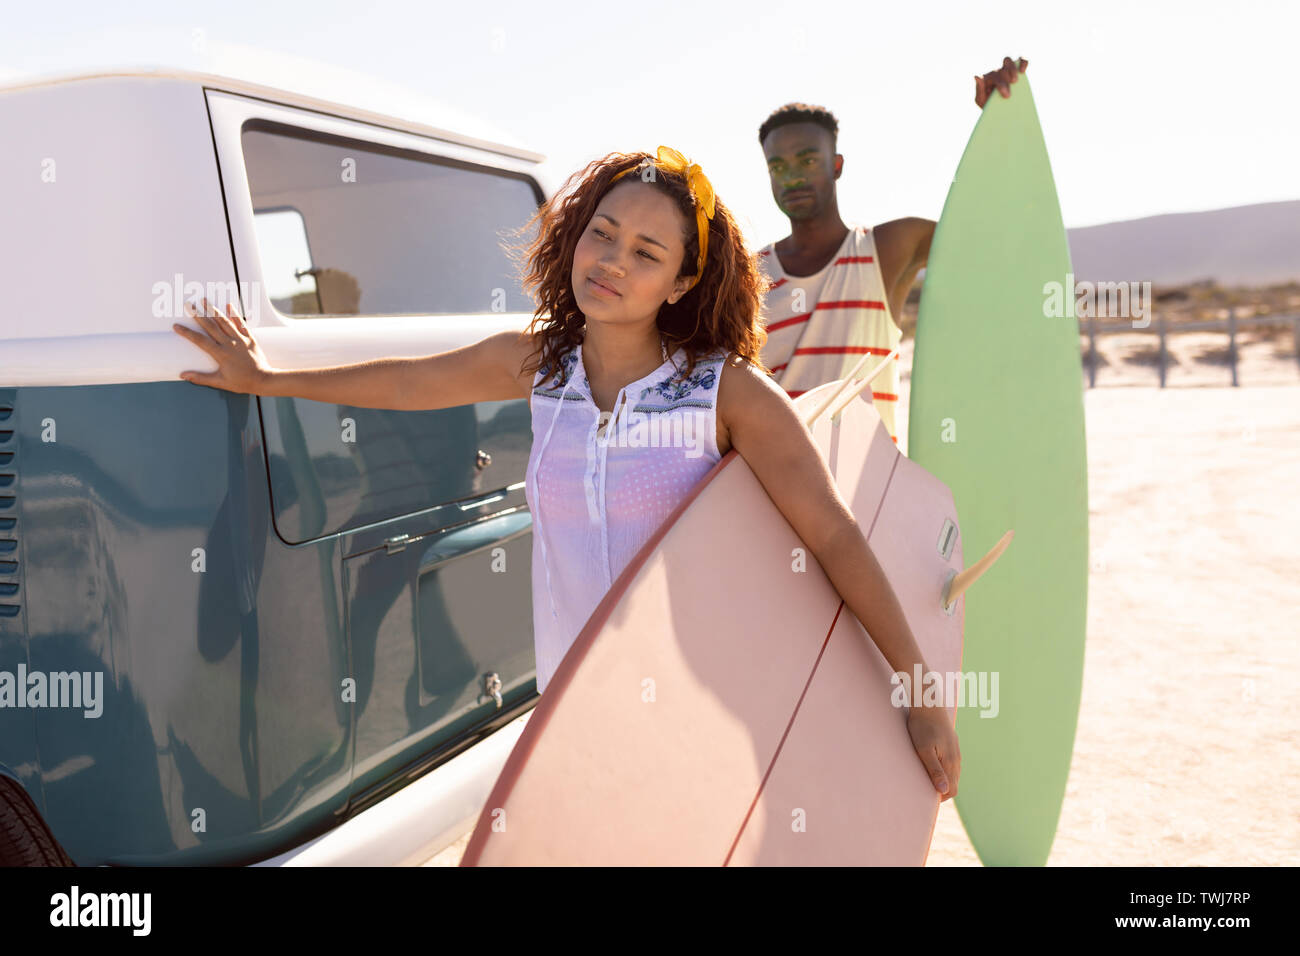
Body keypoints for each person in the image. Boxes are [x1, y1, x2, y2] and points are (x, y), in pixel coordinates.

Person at [172, 146, 961, 801]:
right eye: (602, 234)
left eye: (647, 253)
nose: (613, 262)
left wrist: (919, 692)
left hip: (703, 710)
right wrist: (266, 379)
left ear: (682, 282)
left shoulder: (725, 391)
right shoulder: (542, 364)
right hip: (576, 709)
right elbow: (409, 384)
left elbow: (831, 534)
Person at [756, 57, 1029, 454]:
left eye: (808, 160)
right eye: (776, 166)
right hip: (769, 494)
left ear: (837, 166)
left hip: (871, 497)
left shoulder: (886, 248)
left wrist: (1000, 124)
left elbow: (996, 244)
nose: (792, 177)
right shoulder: (747, 274)